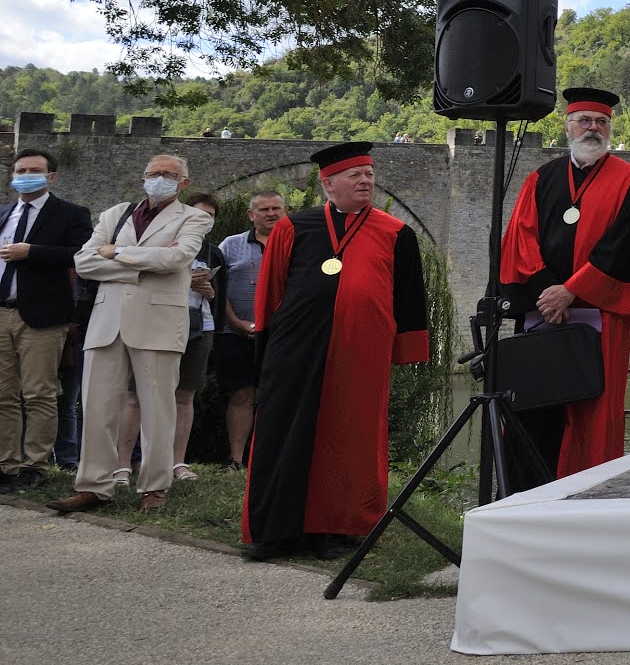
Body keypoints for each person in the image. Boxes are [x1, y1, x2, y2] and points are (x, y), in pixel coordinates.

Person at [240, 142, 430, 560]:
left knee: (348, 439)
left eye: (369, 175)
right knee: (282, 432)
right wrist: (267, 344)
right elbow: (271, 289)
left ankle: (335, 529)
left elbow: (410, 297)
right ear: (329, 184)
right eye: (355, 176)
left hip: (361, 350)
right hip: (296, 349)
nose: (366, 181)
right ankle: (274, 531)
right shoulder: (295, 227)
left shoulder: (396, 233)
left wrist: (406, 351)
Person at [499, 89, 630, 488]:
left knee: (593, 415)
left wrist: (571, 290)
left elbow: (622, 246)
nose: (593, 129)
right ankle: (523, 498)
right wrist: (549, 290)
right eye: (584, 120)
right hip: (541, 313)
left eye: (601, 122)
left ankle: (585, 498)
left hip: (599, 314)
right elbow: (522, 237)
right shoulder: (542, 178)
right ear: (567, 126)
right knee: (535, 410)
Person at [52, 154, 210, 514]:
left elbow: (175, 259)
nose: (160, 179)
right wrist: (139, 266)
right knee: (96, 406)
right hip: (107, 321)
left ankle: (154, 487)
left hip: (158, 322)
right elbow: (85, 261)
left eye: (169, 174)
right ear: (143, 177)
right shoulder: (115, 213)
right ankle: (93, 485)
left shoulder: (194, 216)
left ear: (183, 182)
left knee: (158, 408)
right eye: (154, 173)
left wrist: (118, 252)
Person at [113, 192, 227, 482]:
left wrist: (209, 292)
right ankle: (123, 464)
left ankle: (177, 463)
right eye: (199, 214)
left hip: (199, 326)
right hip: (153, 323)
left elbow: (218, 298)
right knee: (136, 396)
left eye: (210, 216)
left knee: (184, 396)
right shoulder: (157, 241)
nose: (204, 220)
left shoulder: (213, 252)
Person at [0, 149, 92, 491]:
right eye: (21, 169)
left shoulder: (70, 213)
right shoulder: (4, 213)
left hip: (41, 317)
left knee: (38, 393)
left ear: (51, 176)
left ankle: (35, 464)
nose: (26, 174)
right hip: (1, 312)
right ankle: (5, 464)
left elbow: (84, 255)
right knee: (2, 395)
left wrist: (32, 251)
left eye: (34, 170)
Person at [215, 190, 286, 469]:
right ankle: (236, 459)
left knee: (275, 395)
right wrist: (234, 321)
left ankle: (268, 460)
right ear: (251, 215)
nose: (270, 214)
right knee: (242, 394)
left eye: (276, 208)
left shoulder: (296, 243)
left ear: (285, 210)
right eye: (264, 209)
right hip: (236, 333)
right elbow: (217, 288)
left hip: (281, 336)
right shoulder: (230, 245)